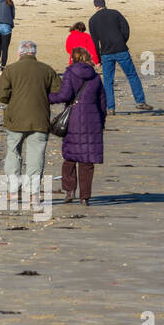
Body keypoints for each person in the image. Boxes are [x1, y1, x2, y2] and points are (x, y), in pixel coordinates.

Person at [0, 40, 61, 203]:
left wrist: (14, 99)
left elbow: (1, 94)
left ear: (19, 53)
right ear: (34, 53)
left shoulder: (10, 69)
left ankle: (13, 190)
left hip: (15, 119)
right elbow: (58, 91)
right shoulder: (46, 69)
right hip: (39, 119)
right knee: (36, 156)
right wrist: (43, 98)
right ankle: (33, 193)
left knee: (13, 153)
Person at [48, 46, 106, 206]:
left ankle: (69, 190)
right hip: (92, 120)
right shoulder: (95, 77)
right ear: (87, 58)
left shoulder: (70, 73)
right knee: (87, 162)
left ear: (73, 58)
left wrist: (47, 98)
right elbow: (102, 101)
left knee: (70, 157)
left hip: (73, 120)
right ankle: (85, 197)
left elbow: (64, 95)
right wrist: (101, 122)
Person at [88, 0, 151, 113]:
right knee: (132, 75)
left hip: (106, 53)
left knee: (108, 81)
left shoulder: (92, 20)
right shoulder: (115, 13)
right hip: (121, 49)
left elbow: (94, 41)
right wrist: (122, 40)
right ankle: (140, 101)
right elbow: (126, 28)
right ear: (104, 3)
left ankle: (110, 107)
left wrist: (97, 59)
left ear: (95, 6)